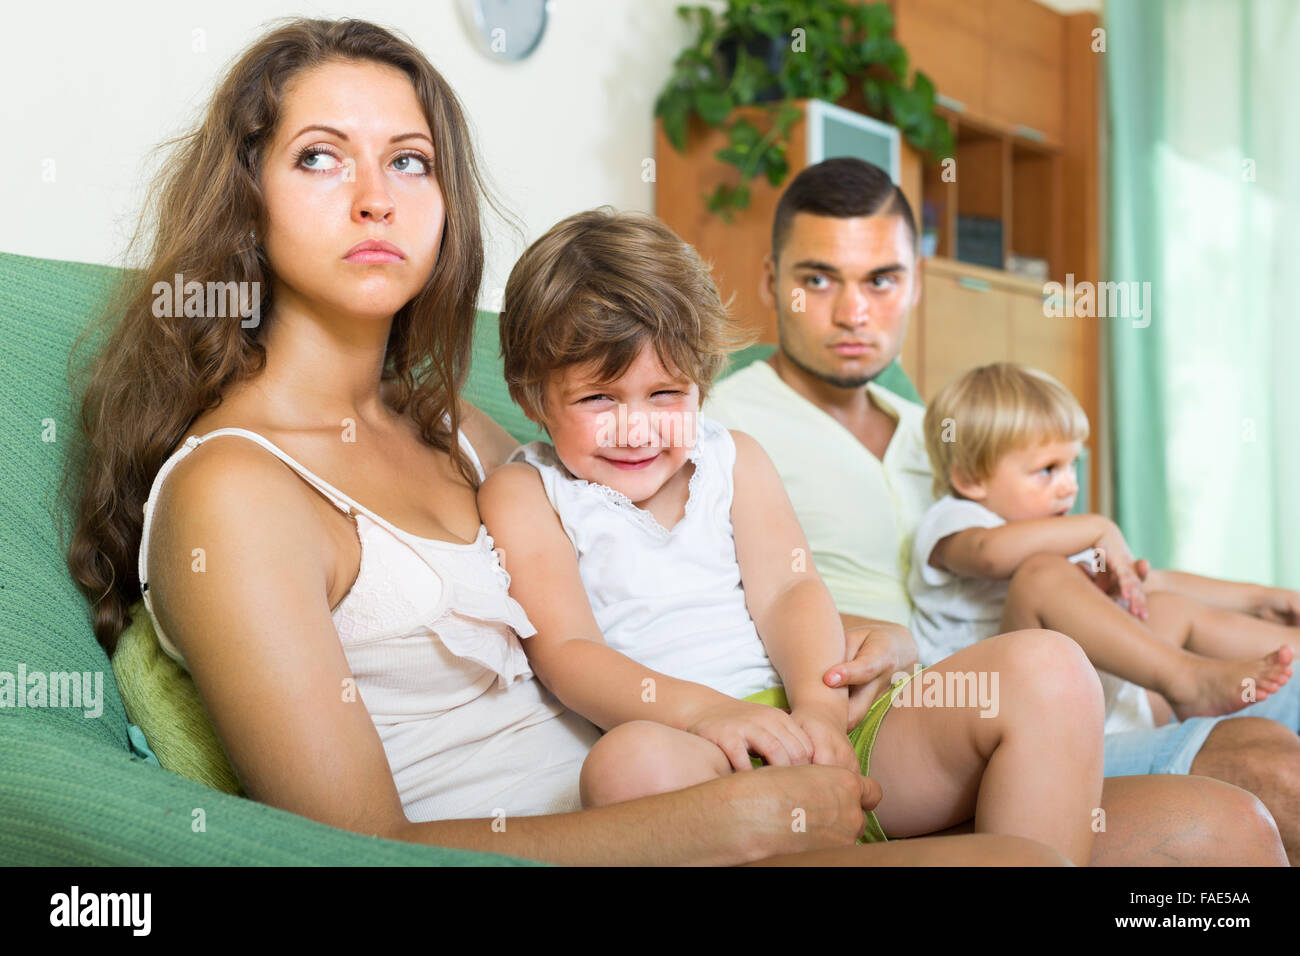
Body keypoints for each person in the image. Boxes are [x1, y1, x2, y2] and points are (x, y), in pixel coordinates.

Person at [63, 16, 1101, 867]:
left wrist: (856, 635)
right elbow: (353, 850)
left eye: (411, 160)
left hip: (719, 774)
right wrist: (711, 821)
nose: (375, 195)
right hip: (651, 825)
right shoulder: (236, 492)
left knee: (1210, 827)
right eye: (320, 156)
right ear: (247, 194)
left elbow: (629, 541)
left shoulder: (456, 430)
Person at [700, 155, 1300, 862]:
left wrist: (1259, 596)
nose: (853, 312)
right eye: (818, 279)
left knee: (1255, 737)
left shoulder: (935, 428)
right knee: (1272, 771)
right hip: (894, 724)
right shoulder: (720, 429)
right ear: (774, 283)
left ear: (915, 283)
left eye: (881, 280)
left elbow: (1038, 555)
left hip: (1023, 690)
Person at [481, 207, 1108, 864]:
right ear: (531, 397)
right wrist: (707, 716)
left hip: (838, 735)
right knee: (624, 767)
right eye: (599, 400)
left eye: (665, 394)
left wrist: (817, 709)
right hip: (699, 762)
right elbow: (570, 651)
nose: (637, 430)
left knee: (1051, 667)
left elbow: (788, 591)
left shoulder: (734, 459)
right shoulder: (528, 493)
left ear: (702, 381)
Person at [910, 361, 1295, 723]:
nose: (1070, 485)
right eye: (1048, 470)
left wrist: (1263, 598)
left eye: (1072, 464)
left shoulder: (1050, 530)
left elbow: (1153, 580)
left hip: (1108, 700)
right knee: (1040, 575)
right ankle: (1187, 680)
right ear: (971, 479)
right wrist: (1097, 526)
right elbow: (989, 555)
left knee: (1166, 606)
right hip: (1011, 708)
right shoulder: (955, 520)